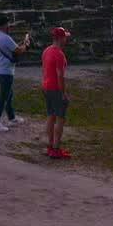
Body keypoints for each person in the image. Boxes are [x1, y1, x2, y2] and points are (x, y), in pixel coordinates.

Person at [0, 13, 30, 132]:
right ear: (5, 25)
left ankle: (11, 118)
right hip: (5, 71)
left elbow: (12, 49)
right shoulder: (6, 38)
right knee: (4, 97)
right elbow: (18, 51)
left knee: (8, 94)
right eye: (8, 24)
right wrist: (26, 45)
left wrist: (22, 45)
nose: (10, 26)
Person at [42, 27, 72, 159]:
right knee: (60, 118)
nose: (66, 39)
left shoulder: (47, 51)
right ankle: (56, 148)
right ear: (60, 38)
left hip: (47, 87)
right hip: (55, 88)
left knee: (51, 115)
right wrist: (63, 93)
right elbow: (60, 76)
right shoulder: (59, 54)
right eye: (65, 37)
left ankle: (50, 145)